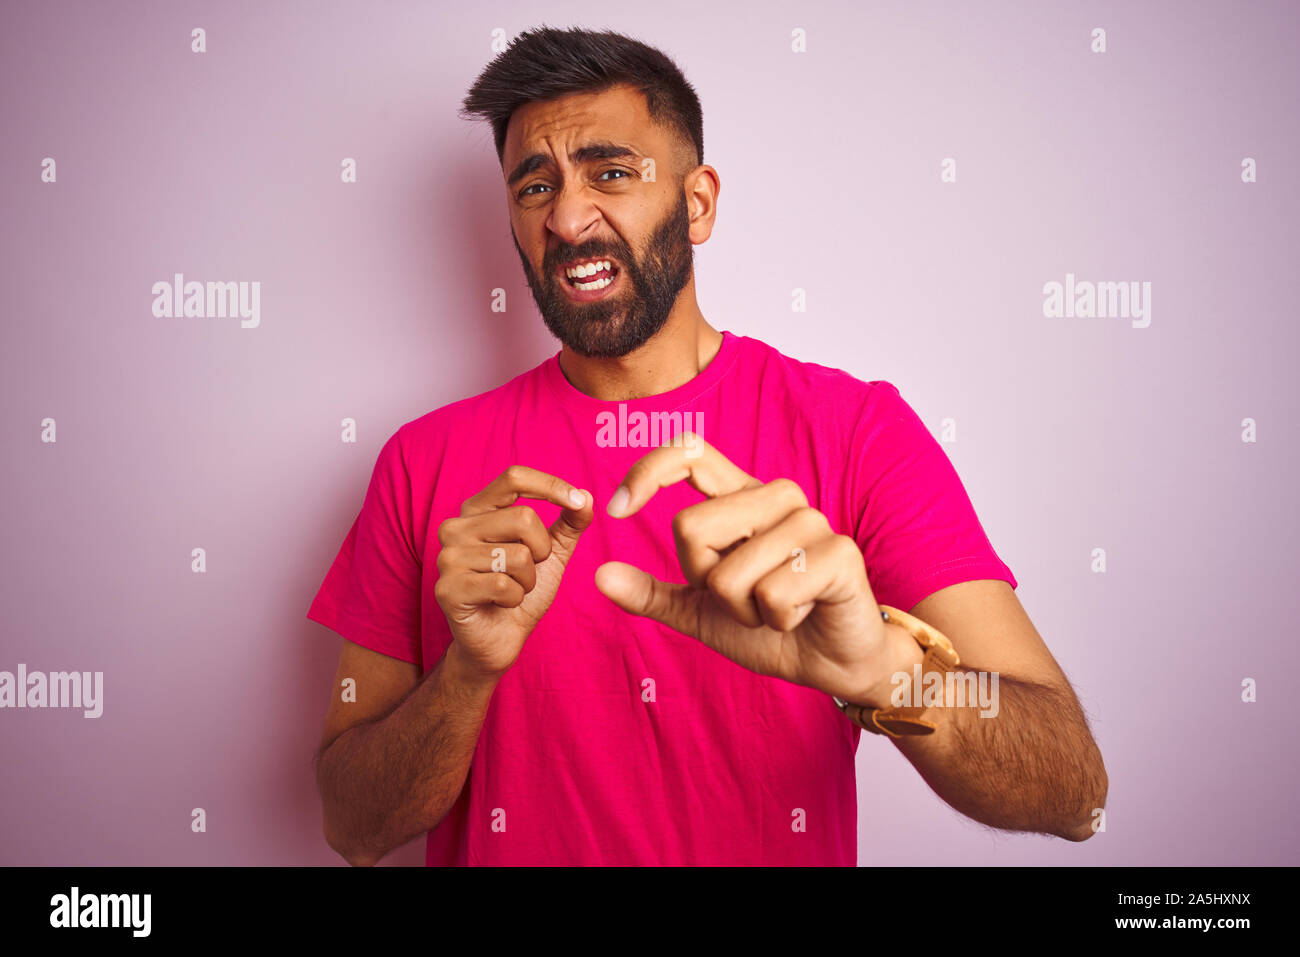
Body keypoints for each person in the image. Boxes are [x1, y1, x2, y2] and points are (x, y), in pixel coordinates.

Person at [307, 25, 1107, 866]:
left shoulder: (855, 431)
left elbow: (1072, 783)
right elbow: (352, 827)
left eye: (611, 173)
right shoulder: (422, 462)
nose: (570, 217)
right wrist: (467, 675)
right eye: (534, 186)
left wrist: (885, 674)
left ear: (697, 202)